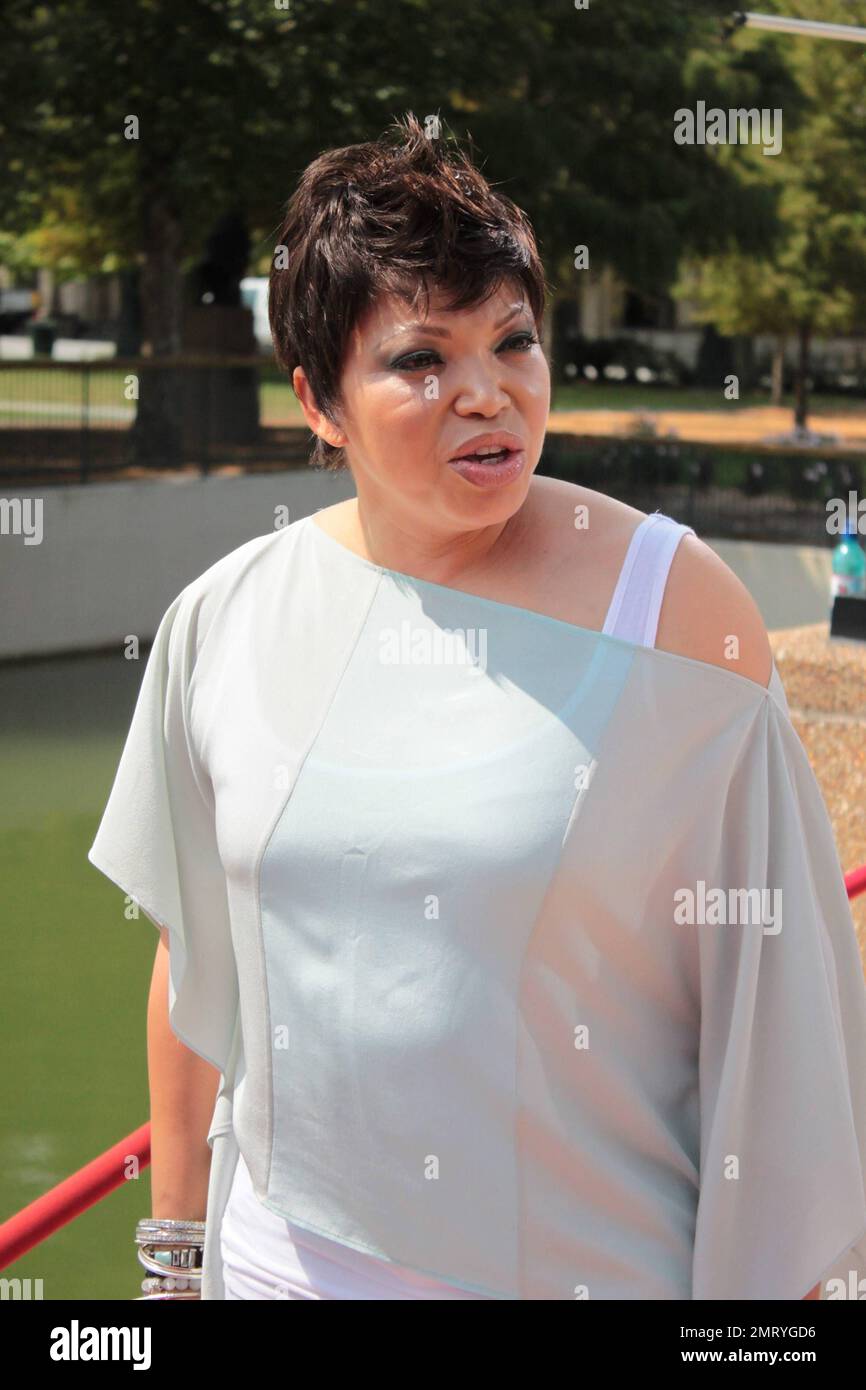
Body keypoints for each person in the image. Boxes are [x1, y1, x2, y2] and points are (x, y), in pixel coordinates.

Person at [88, 112, 866, 1301]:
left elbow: (776, 1012)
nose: (487, 393)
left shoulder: (667, 604)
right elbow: (196, 960)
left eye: (513, 342)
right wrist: (175, 1264)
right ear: (317, 399)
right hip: (270, 1274)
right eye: (420, 360)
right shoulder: (224, 617)